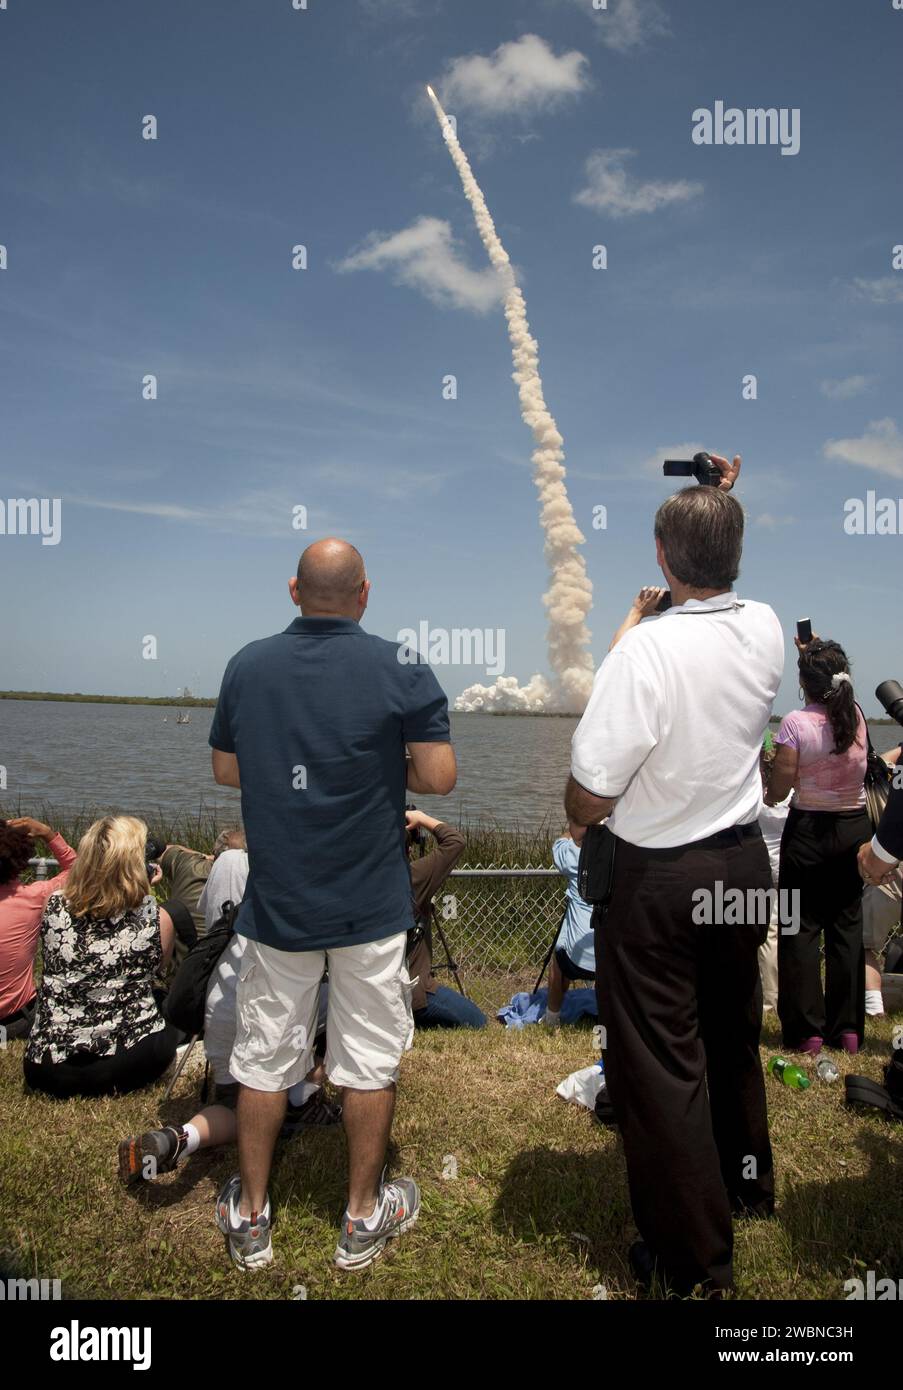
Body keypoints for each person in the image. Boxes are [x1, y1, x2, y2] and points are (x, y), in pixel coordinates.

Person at [566, 454, 785, 1298]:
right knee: (729, 1038)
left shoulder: (643, 654)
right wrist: (714, 503)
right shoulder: (763, 628)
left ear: (659, 558)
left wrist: (577, 803)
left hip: (657, 881)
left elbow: (588, 791)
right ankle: (745, 1182)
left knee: (661, 1064)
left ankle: (694, 1268)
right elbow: (716, 566)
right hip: (737, 868)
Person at [208, 537, 456, 1271]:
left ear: (293, 591)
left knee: (263, 1056)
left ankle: (251, 1216)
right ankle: (360, 1215)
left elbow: (227, 768)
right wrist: (379, 757)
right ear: (364, 593)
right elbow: (439, 778)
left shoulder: (248, 664)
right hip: (370, 904)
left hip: (281, 902)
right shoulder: (402, 665)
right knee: (370, 1059)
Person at [118, 847, 339, 1186]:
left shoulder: (228, 863)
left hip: (219, 1001)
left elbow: (211, 918)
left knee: (236, 1103)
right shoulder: (298, 875)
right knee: (340, 1007)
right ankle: (301, 1096)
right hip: (270, 1006)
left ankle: (179, 1137)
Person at [23, 816, 180, 1098]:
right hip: (127, 1062)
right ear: (135, 864)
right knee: (167, 1006)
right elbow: (156, 969)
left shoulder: (53, 904)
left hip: (46, 1067)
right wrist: (147, 890)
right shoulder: (158, 916)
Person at [765, 639, 870, 1055]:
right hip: (853, 828)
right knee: (846, 929)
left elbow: (779, 789)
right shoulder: (858, 716)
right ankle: (847, 1030)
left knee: (799, 928)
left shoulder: (794, 723)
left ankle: (807, 1031)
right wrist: (814, 651)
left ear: (803, 684)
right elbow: (835, 685)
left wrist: (770, 780)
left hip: (808, 829)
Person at [405, 808, 485, 1029]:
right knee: (478, 1021)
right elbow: (454, 842)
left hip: (368, 989)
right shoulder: (413, 876)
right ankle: (415, 1019)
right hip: (413, 991)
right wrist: (420, 818)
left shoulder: (363, 878)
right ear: (409, 847)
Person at [0, 817, 77, 1040]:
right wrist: (47, 833)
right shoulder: (35, 897)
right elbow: (78, 869)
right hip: (15, 1021)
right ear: (21, 857)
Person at [158, 828, 246, 961]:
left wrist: (204, 856)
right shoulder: (250, 882)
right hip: (228, 963)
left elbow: (162, 849)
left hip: (182, 966)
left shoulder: (188, 864)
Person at [544, 832, 595, 1028]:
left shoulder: (574, 857)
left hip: (576, 960)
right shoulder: (623, 857)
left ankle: (552, 1018)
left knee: (558, 962)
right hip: (614, 958)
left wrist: (578, 828)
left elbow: (560, 845)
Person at [758, 734, 792, 1014]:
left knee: (768, 936)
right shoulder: (793, 792)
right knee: (789, 932)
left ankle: (771, 999)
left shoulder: (755, 793)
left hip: (763, 870)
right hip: (789, 868)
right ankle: (790, 991)